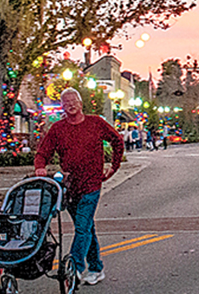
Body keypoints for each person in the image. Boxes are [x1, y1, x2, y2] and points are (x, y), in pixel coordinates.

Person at [35, 88, 124, 286]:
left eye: (73, 101)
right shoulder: (58, 129)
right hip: (69, 187)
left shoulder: (96, 123)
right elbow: (43, 152)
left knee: (83, 227)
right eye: (65, 103)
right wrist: (40, 167)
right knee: (86, 228)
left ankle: (74, 268)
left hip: (92, 184)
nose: (70, 105)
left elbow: (117, 141)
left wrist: (114, 166)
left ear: (81, 103)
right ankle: (96, 268)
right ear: (62, 107)